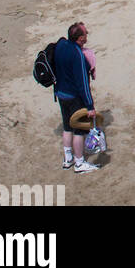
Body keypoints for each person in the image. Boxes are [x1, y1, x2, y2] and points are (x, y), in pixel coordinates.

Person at [53, 22, 98, 173]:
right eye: (86, 33)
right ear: (80, 38)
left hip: (60, 94)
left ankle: (67, 159)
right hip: (74, 97)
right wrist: (90, 106)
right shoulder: (77, 54)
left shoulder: (60, 44)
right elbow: (83, 84)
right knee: (79, 130)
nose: (87, 35)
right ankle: (79, 162)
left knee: (67, 127)